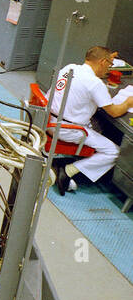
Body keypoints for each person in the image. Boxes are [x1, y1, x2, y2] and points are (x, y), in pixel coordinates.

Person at [50, 46, 133, 194]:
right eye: (109, 64)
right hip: (68, 129)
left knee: (99, 125)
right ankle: (68, 170)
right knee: (113, 151)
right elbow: (114, 112)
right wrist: (128, 103)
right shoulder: (95, 84)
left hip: (49, 119)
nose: (109, 69)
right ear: (102, 62)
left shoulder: (70, 67)